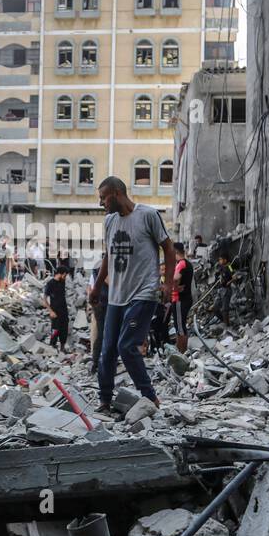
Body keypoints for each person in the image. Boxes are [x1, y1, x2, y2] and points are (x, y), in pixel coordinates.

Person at [88, 176, 175, 413]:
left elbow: (168, 248)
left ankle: (150, 398)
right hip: (116, 295)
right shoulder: (109, 221)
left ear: (116, 193)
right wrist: (96, 286)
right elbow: (109, 255)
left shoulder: (147, 215)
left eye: (103, 197)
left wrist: (167, 285)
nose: (101, 203)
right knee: (107, 351)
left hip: (144, 292)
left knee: (126, 345)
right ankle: (105, 401)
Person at [171, 241, 194, 352]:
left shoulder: (181, 263)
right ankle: (180, 351)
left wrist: (174, 287)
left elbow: (175, 278)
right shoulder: (185, 263)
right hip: (183, 298)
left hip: (180, 299)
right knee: (179, 326)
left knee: (180, 327)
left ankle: (182, 354)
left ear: (175, 251)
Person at [43, 263, 71, 352]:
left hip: (64, 310)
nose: (65, 277)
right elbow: (44, 299)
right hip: (55, 312)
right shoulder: (50, 283)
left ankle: (62, 348)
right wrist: (50, 311)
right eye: (65, 275)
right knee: (55, 330)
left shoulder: (62, 282)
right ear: (60, 273)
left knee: (64, 330)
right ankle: (52, 348)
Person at [88, 262, 109, 373]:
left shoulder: (95, 271)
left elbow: (90, 288)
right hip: (103, 305)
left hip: (100, 304)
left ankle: (97, 362)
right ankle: (98, 362)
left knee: (101, 333)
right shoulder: (100, 271)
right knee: (103, 334)